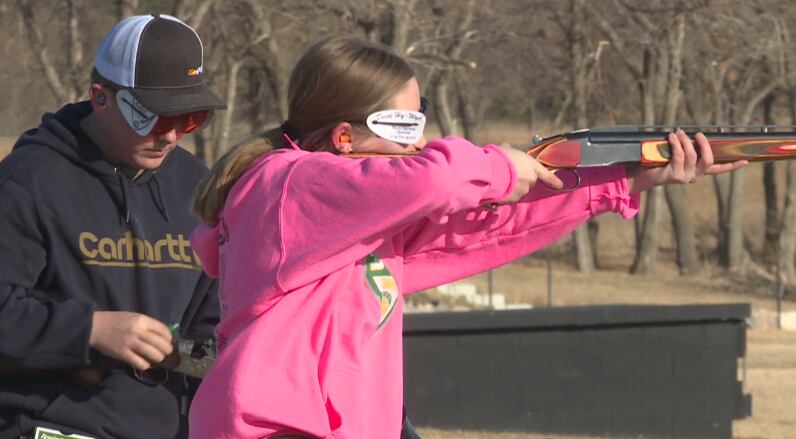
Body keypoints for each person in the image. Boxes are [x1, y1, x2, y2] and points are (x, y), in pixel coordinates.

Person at [187, 36, 746, 439]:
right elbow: (440, 176)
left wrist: (626, 178)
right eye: (404, 127)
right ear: (342, 137)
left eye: (420, 118)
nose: (418, 141)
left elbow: (484, 230)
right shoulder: (289, 185)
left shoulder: (361, 229)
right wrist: (498, 168)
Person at [0, 14, 225, 439]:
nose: (172, 135)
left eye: (190, 118)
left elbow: (210, 321)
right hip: (50, 426)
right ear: (100, 97)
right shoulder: (27, 181)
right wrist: (92, 330)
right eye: (155, 117)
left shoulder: (196, 187)